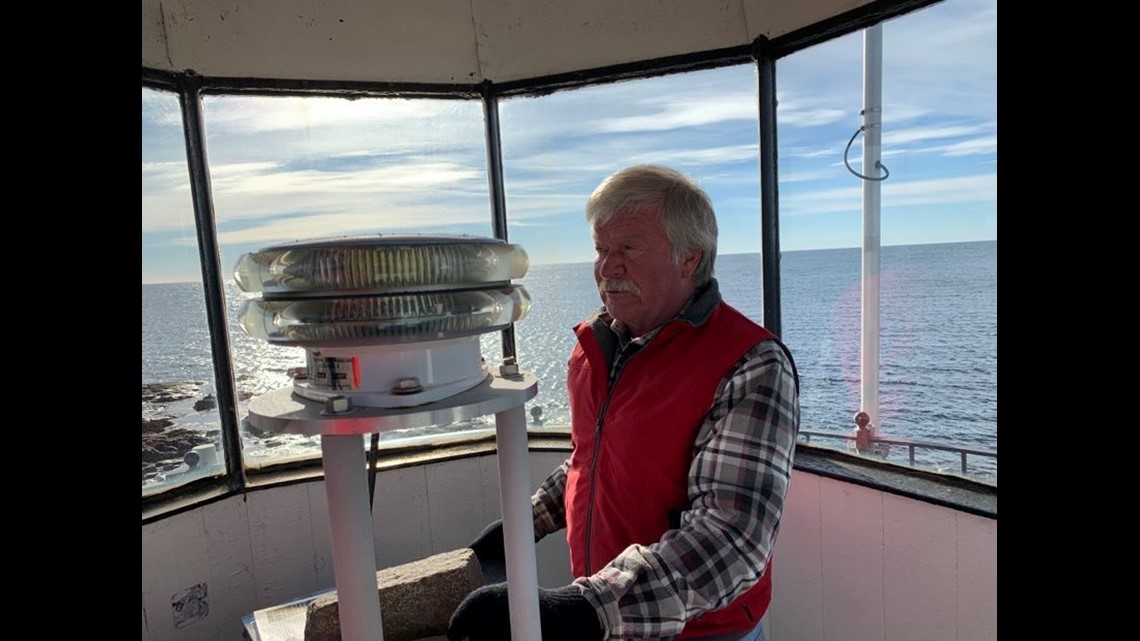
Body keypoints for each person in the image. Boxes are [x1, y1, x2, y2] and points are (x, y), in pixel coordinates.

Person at [448, 164, 800, 641]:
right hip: (609, 618)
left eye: (628, 249)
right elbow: (594, 457)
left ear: (689, 258)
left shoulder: (751, 365)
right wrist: (521, 526)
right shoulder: (601, 345)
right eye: (601, 249)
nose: (607, 266)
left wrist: (582, 609)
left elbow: (732, 538)